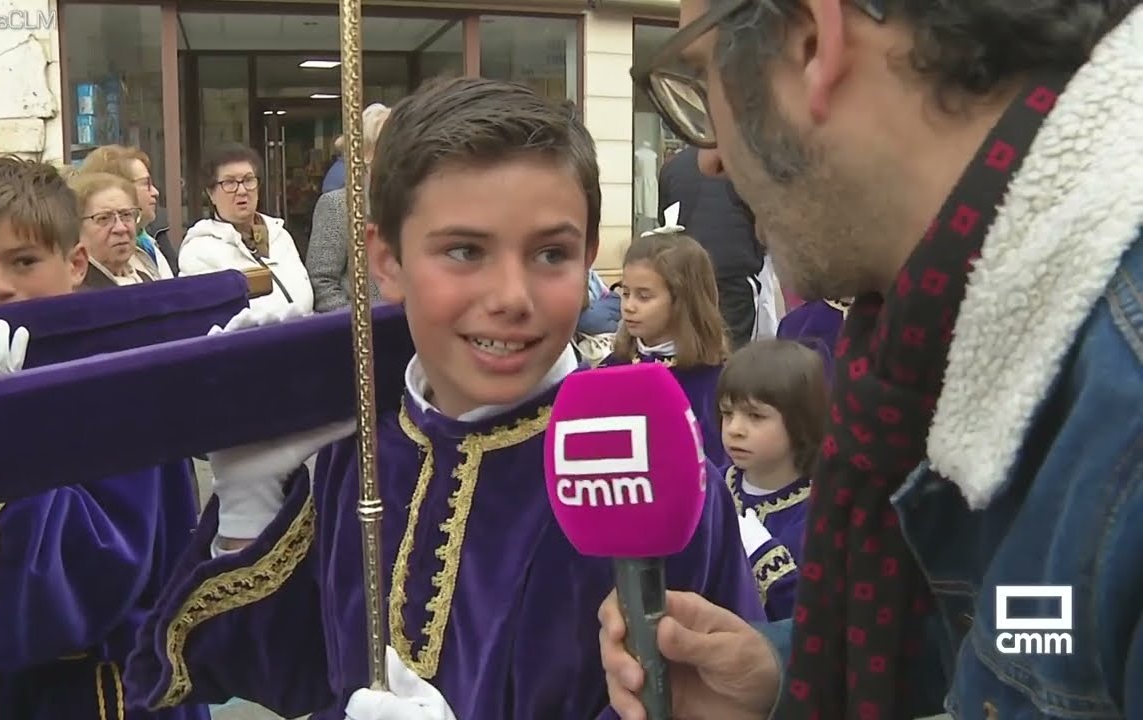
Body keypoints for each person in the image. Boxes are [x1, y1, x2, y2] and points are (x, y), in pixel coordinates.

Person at [124, 76, 765, 720]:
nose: (512, 296)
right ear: (387, 260)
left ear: (590, 259)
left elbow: (703, 695)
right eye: (464, 250)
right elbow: (281, 668)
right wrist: (248, 510)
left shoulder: (647, 471)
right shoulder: (362, 451)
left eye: (551, 253)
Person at [601, 1, 1143, 718]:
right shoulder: (942, 338)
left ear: (810, 41)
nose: (712, 159)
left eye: (704, 82)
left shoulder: (1119, 402)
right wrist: (782, 668)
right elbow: (1017, 641)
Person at [0, 157, 209, 720]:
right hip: (21, 689)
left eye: (23, 262)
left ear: (76, 262)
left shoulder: (119, 376)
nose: (0, 287)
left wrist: (0, 440)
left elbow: (98, 564)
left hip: (115, 689)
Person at [718, 339, 827, 621]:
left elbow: (812, 621)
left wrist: (762, 553)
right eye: (727, 414)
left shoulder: (821, 513)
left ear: (800, 421)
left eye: (755, 416)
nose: (735, 429)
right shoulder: (713, 488)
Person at [603, 231, 732, 466]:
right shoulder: (611, 367)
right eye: (625, 293)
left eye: (644, 296)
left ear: (682, 302)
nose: (629, 306)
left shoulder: (712, 381)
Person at [179, 143, 314, 317]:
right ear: (211, 193)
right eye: (229, 183)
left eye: (249, 180)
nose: (242, 191)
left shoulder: (280, 235)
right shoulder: (199, 251)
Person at [658, 145, 764, 347]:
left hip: (687, 273)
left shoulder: (673, 167)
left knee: (691, 345)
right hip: (734, 271)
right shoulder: (744, 164)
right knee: (735, 349)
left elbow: (665, 221)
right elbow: (762, 221)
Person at [305, 102, 390, 312]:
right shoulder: (338, 205)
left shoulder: (410, 203)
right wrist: (357, 324)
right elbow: (321, 282)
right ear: (366, 154)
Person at [78, 144, 178, 277]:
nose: (155, 192)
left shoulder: (151, 243)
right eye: (145, 184)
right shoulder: (76, 281)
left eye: (125, 215)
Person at [68, 172, 156, 287]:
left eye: (126, 215)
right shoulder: (75, 293)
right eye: (104, 218)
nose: (120, 228)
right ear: (77, 228)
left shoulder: (146, 279)